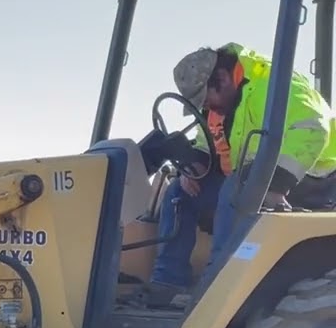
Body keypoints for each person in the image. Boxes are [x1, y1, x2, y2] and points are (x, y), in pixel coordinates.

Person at [137, 43, 336, 308]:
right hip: (248, 177)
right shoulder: (218, 109)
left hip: (309, 179)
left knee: (237, 188)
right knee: (178, 192)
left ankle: (216, 288)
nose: (206, 108)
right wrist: (194, 167)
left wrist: (275, 185)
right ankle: (168, 282)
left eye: (206, 100)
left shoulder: (274, 85)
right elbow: (206, 144)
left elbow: (311, 129)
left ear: (220, 79)